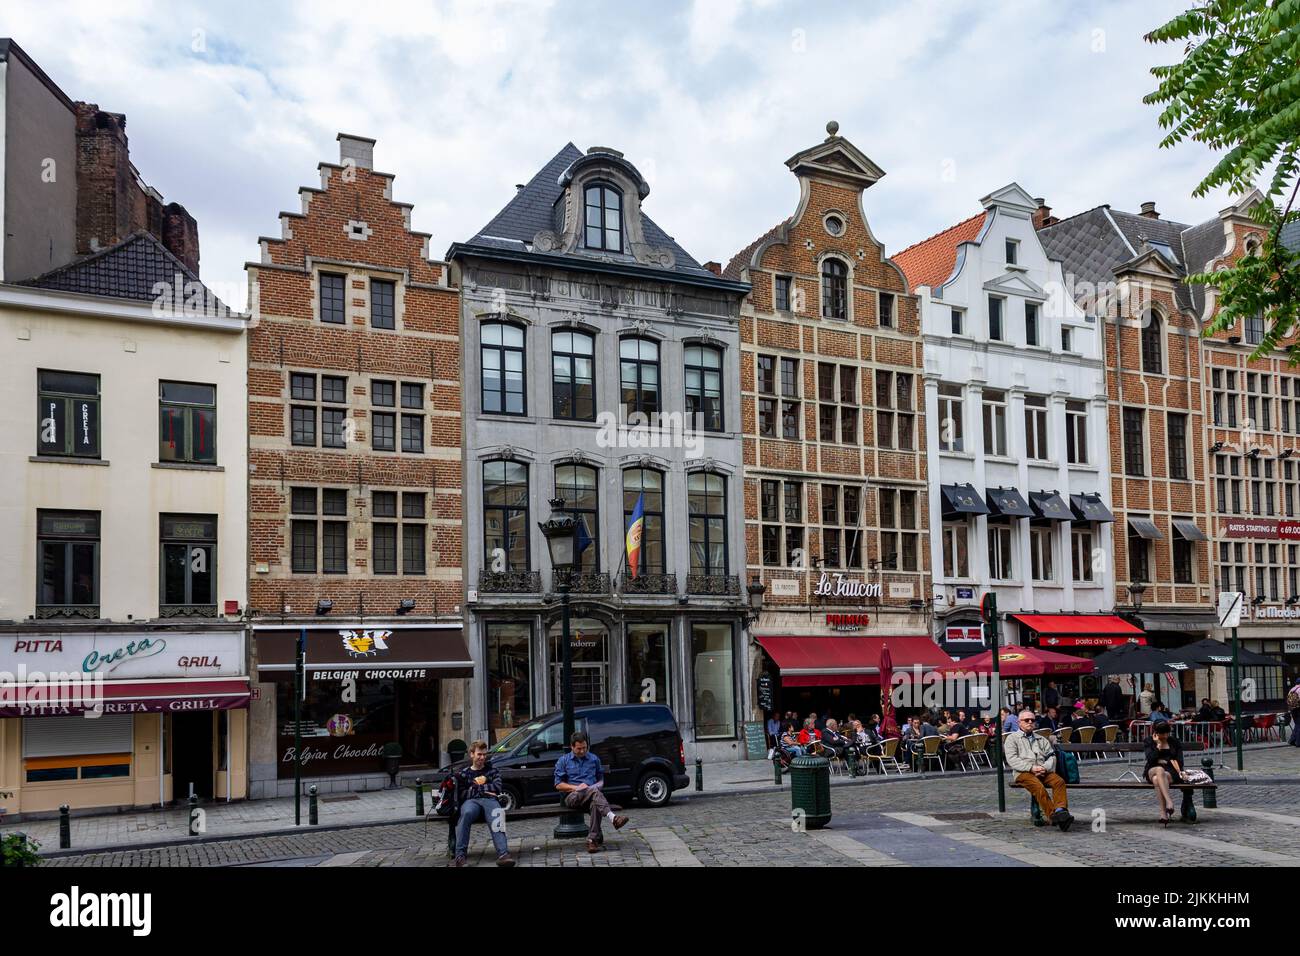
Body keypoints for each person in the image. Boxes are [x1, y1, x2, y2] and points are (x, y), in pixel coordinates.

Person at [554, 730, 628, 853]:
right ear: (572, 747)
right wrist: (576, 788)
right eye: (579, 749)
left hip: (592, 797)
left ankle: (592, 840)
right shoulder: (564, 760)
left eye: (584, 748)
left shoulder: (594, 759)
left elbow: (601, 781)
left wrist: (593, 787)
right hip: (573, 797)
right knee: (593, 792)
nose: (582, 751)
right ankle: (613, 818)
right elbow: (558, 785)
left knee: (595, 804)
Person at [450, 740, 515, 867]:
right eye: (479, 754)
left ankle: (503, 855)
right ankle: (460, 857)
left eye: (484, 754)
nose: (482, 757)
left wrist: (474, 788)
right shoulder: (463, 773)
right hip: (471, 802)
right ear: (471, 754)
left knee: (497, 814)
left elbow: (497, 787)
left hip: (490, 801)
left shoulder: (492, 770)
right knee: (466, 814)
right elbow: (462, 794)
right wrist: (484, 789)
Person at [1005, 710, 1073, 831]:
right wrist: (1031, 768)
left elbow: (1051, 756)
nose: (1030, 722)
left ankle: (1061, 811)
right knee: (1038, 787)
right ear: (1019, 722)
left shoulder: (1041, 739)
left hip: (1043, 770)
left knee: (1059, 782)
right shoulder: (1012, 739)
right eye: (1026, 720)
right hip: (1023, 773)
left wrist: (1044, 767)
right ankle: (1053, 815)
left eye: (1032, 720)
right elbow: (1012, 759)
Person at [1144, 720, 1184, 824]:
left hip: (1170, 771)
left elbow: (1180, 761)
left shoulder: (1174, 741)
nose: (1165, 736)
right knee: (1159, 769)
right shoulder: (1149, 741)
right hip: (1152, 769)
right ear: (1156, 732)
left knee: (1157, 779)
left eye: (1167, 733)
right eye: (1163, 733)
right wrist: (1158, 745)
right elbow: (1150, 759)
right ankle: (1169, 802)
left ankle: (1163, 814)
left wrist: (1164, 762)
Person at [1288, 679, 1300, 747]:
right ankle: (1298, 742)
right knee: (1299, 725)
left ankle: (1292, 740)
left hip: (1293, 709)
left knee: (1297, 724)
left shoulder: (1292, 689)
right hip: (1299, 709)